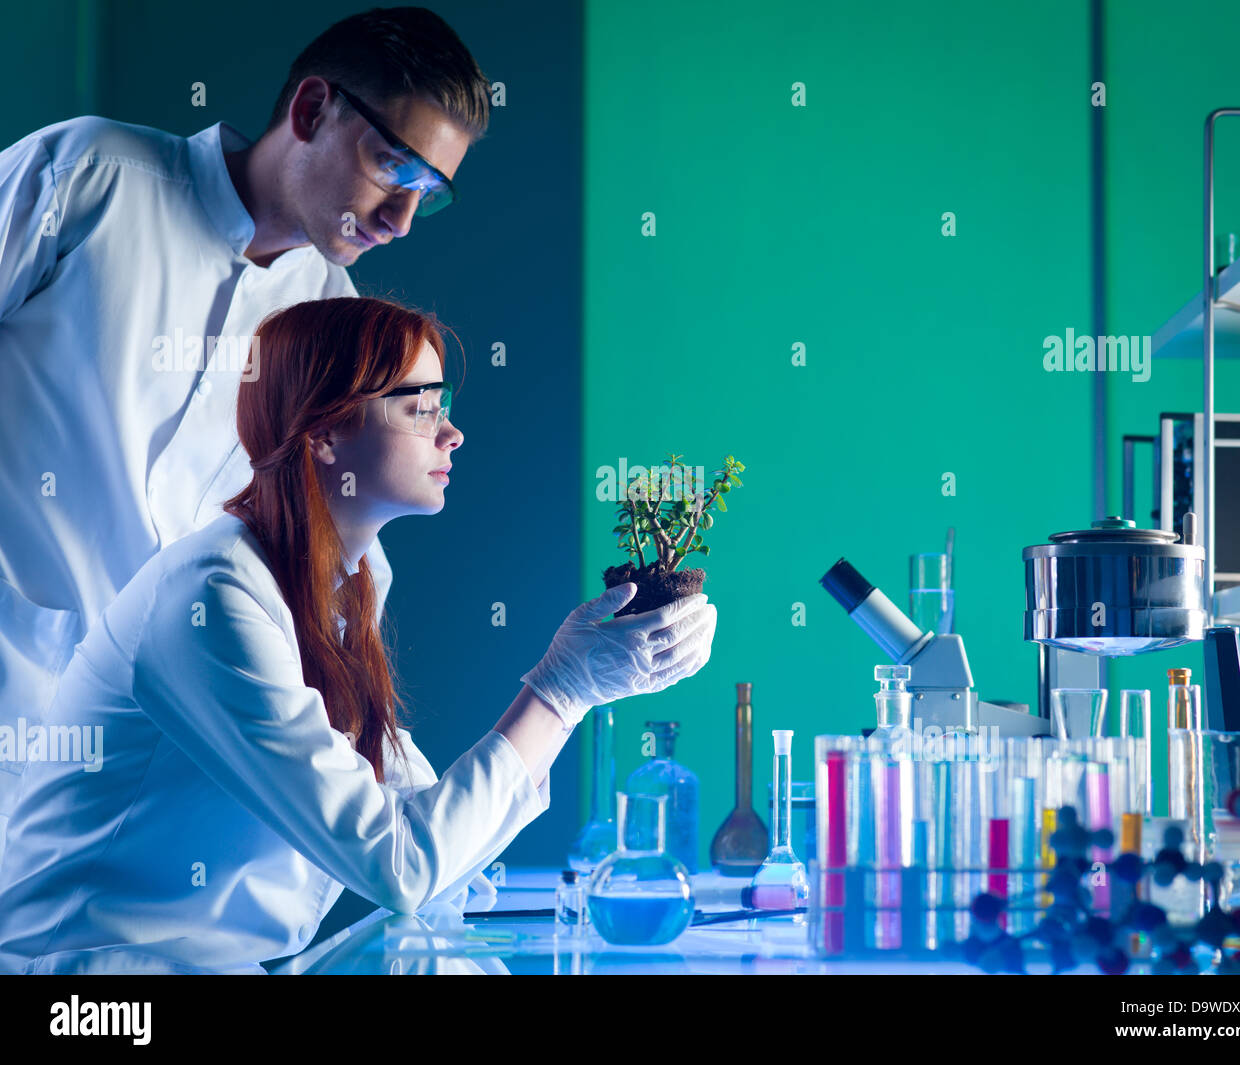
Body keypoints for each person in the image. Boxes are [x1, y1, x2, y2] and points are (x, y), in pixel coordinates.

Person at [0, 296, 718, 975]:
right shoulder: (214, 598)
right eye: (420, 408)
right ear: (324, 432)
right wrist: (563, 688)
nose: (452, 432)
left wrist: (584, 688)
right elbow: (399, 864)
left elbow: (422, 827)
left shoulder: (341, 587)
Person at [0, 7, 488, 867]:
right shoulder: (91, 175)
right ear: (310, 111)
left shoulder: (329, 318)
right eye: (393, 166)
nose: (403, 218)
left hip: (131, 765)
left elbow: (337, 558)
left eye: (432, 191)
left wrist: (409, 793)